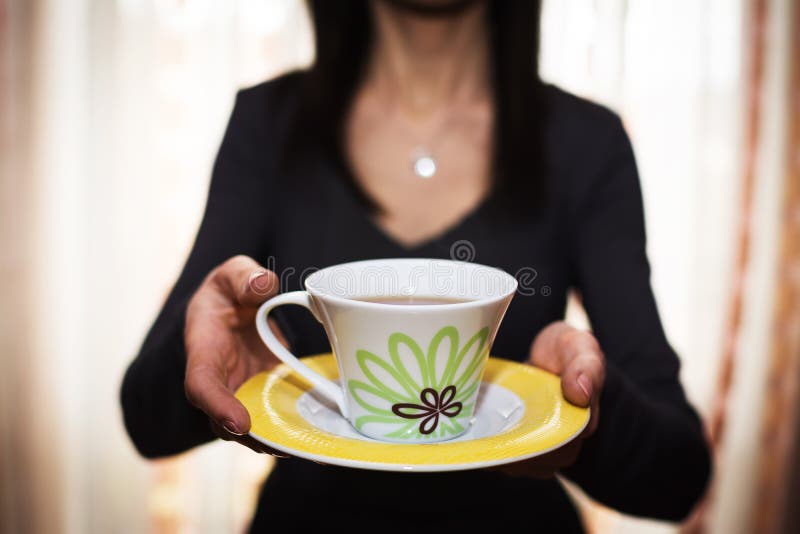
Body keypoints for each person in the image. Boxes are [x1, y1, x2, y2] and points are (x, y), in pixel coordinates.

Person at [120, 0, 711, 531]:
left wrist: (587, 416)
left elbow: (679, 477)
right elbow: (147, 421)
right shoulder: (267, 123)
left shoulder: (587, 142)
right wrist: (209, 355)